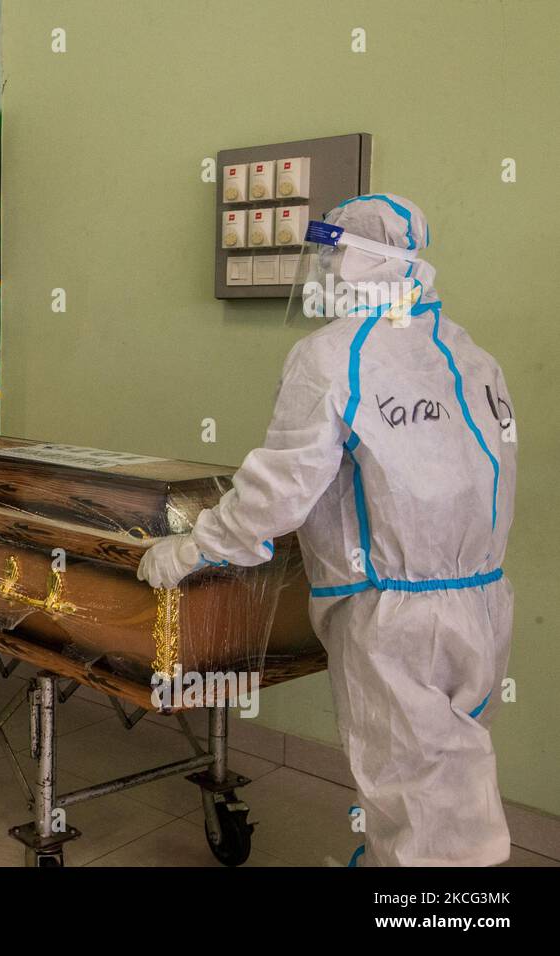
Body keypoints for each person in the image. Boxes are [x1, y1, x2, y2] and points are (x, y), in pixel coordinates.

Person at [137, 195, 516, 867]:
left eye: (331, 254)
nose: (321, 272)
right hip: (483, 605)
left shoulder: (333, 356)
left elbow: (280, 491)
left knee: (421, 809)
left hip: (394, 616)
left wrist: (194, 547)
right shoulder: (472, 354)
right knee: (450, 788)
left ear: (371, 260)